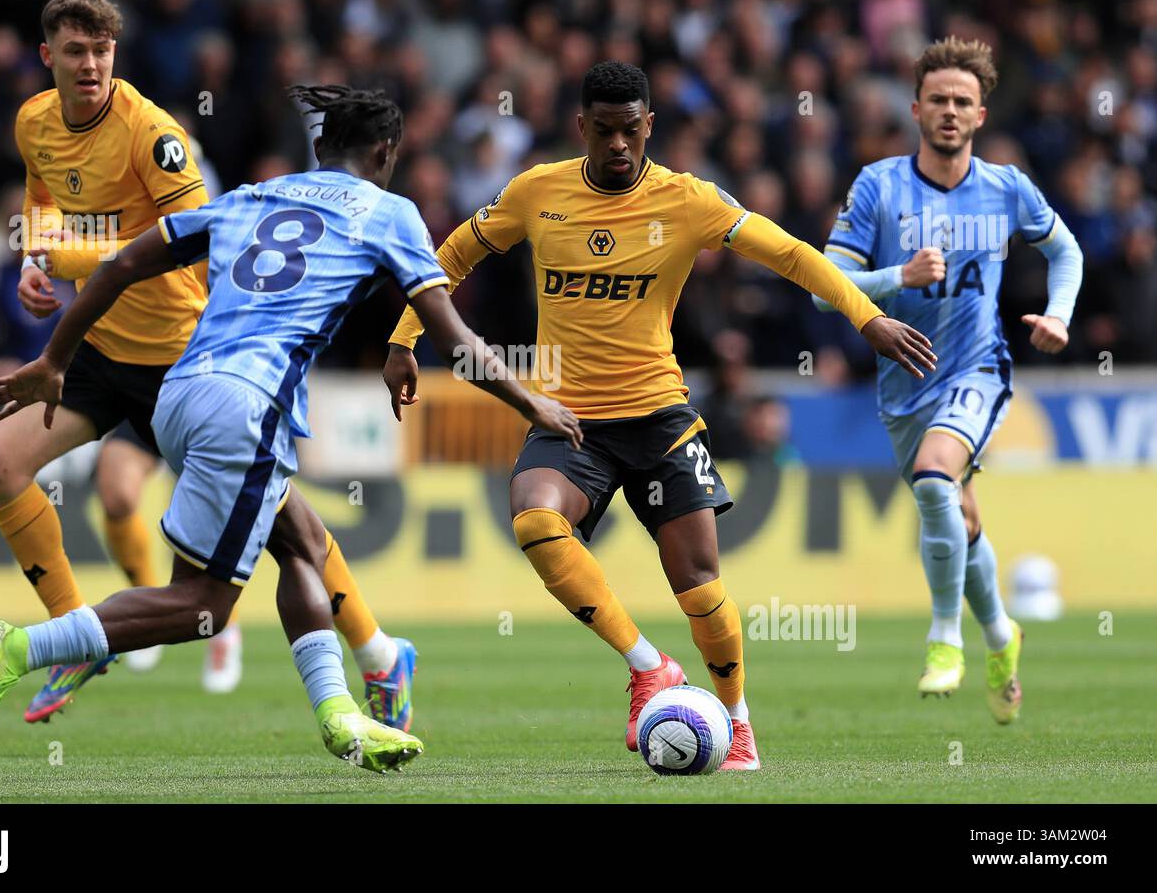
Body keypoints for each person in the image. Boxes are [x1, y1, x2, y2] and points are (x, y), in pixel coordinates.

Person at [0, 84, 582, 771]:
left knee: (301, 542)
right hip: (248, 405)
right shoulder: (391, 211)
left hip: (181, 393)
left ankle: (348, 713)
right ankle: (18, 647)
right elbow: (458, 340)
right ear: (385, 154)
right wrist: (533, 405)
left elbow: (125, 263)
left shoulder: (253, 196)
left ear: (318, 150)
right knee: (204, 605)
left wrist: (53, 357)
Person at [384, 61, 935, 769]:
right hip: (569, 417)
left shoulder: (687, 201)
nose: (617, 144)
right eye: (603, 130)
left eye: (630, 129)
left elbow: (793, 256)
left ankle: (737, 720)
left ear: (650, 125)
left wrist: (866, 319)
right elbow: (452, 255)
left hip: (659, 418)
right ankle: (649, 667)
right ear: (581, 126)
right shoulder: (537, 192)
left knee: (698, 584)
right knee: (533, 518)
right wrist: (404, 336)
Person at [812, 37, 1083, 722]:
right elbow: (824, 287)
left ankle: (943, 640)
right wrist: (894, 278)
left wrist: (1058, 315)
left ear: (981, 114)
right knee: (958, 517)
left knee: (936, 477)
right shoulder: (878, 186)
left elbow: (1066, 250)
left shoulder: (1006, 187)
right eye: (939, 100)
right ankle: (1001, 635)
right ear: (916, 108)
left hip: (976, 367)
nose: (951, 112)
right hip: (903, 384)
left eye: (963, 101)